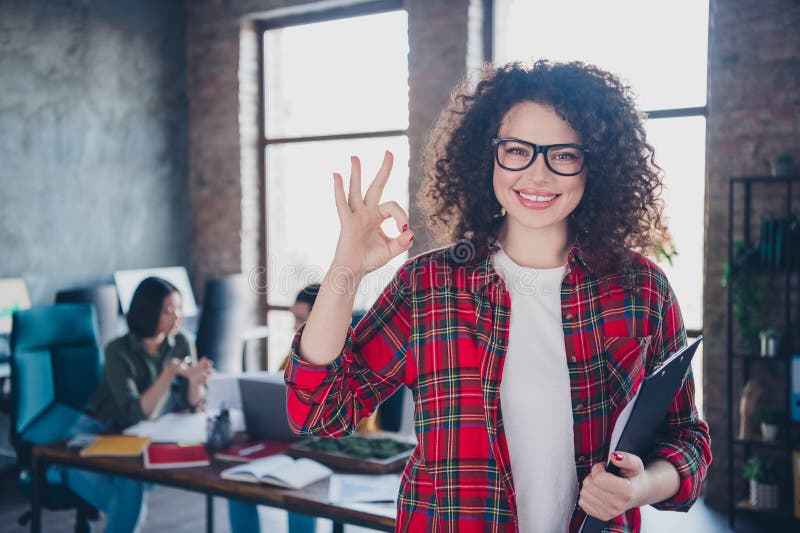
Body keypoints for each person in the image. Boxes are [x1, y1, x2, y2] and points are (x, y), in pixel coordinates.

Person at [284, 60, 712, 532]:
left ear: (597, 164)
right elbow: (320, 411)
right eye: (516, 150)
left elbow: (685, 439)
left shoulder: (641, 289)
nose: (538, 174)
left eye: (564, 155)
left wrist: (637, 488)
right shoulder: (429, 285)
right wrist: (346, 265)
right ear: (487, 156)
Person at [62, 276, 213, 532]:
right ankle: (60, 470)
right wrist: (167, 375)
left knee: (129, 496)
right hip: (98, 431)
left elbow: (192, 404)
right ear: (148, 311)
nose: (178, 316)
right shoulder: (117, 350)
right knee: (128, 500)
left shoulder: (181, 342)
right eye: (168, 311)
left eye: (179, 308)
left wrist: (196, 382)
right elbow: (135, 414)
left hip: (139, 437)